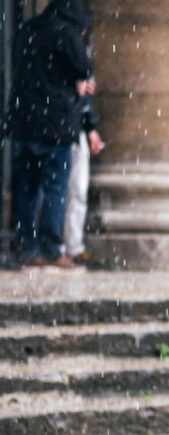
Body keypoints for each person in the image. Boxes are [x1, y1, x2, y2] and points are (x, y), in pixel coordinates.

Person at [4, 0, 93, 268]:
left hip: (23, 121)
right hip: (55, 125)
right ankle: (51, 249)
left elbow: (16, 63)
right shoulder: (67, 33)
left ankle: (27, 248)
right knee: (55, 189)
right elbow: (84, 68)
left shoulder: (28, 28)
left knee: (26, 189)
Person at [64, 79, 105, 267]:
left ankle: (71, 246)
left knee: (76, 190)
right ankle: (61, 246)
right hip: (60, 125)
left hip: (71, 125)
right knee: (65, 191)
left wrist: (89, 126)